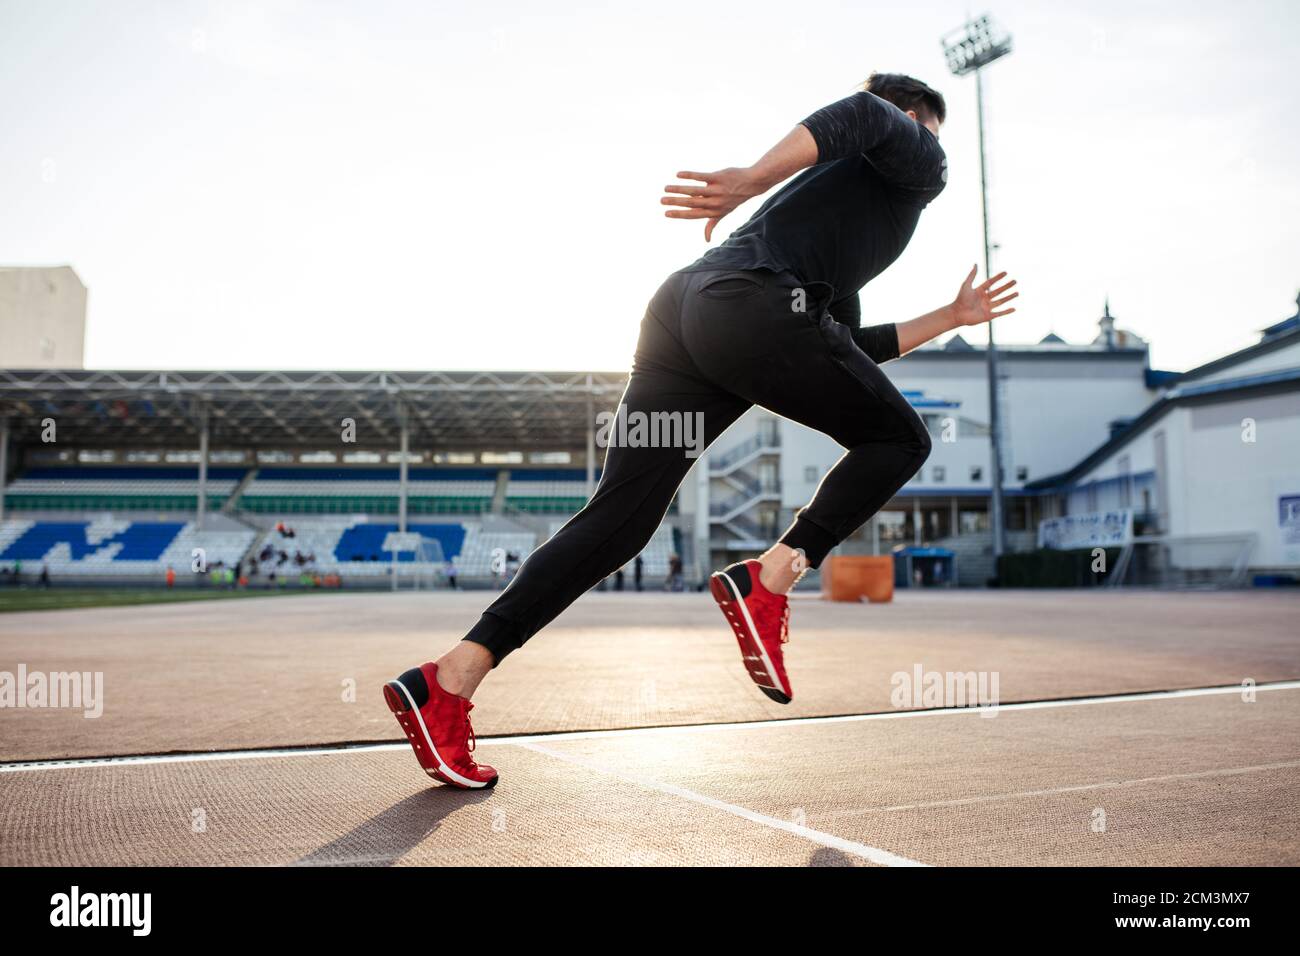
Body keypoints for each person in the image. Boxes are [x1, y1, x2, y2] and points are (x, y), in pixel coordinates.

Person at [383, 73, 1018, 789]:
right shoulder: (914, 155)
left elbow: (844, 343)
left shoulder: (826, 219)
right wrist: (749, 178)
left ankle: (449, 682)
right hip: (748, 308)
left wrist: (949, 318)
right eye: (925, 132)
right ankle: (769, 580)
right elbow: (867, 113)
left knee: (619, 522)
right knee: (903, 441)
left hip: (686, 313)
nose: (929, 151)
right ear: (916, 121)